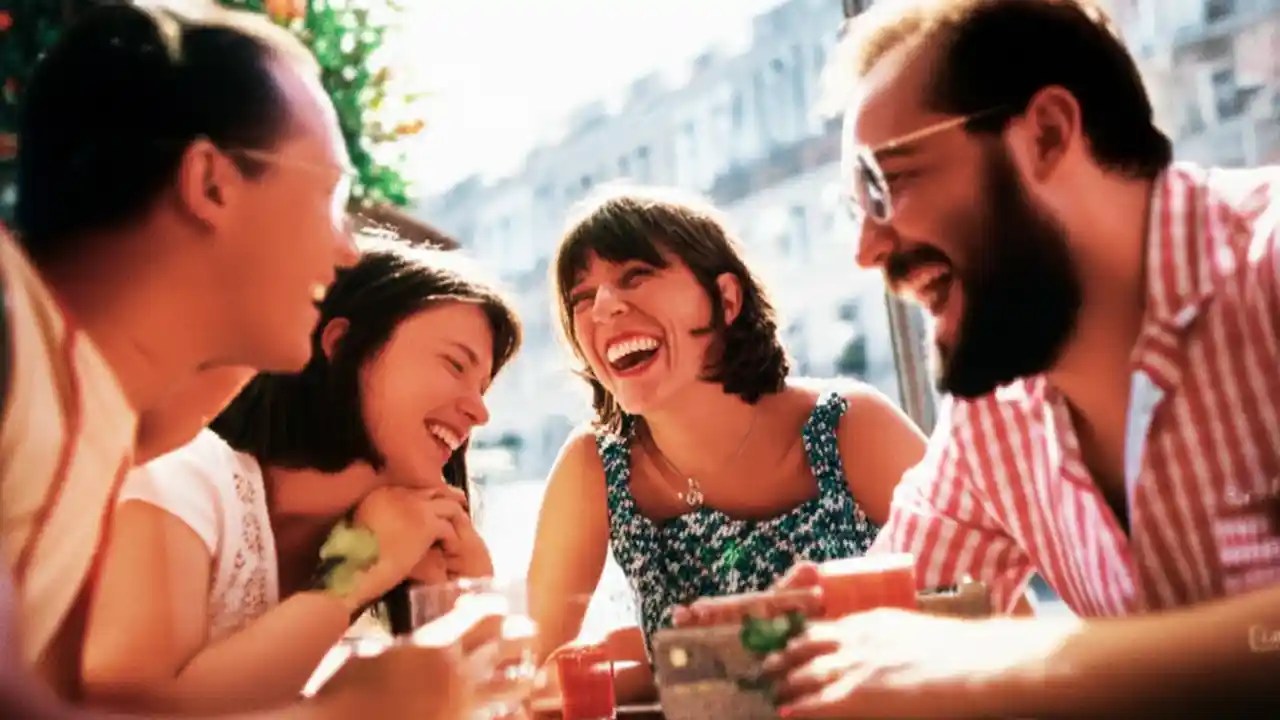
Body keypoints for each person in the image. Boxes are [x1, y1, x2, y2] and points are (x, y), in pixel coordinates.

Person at [733, 0, 1280, 716]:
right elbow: (883, 625)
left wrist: (1006, 663)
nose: (866, 250)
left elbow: (948, 659)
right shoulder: (997, 411)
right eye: (853, 207)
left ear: (1048, 134)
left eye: (884, 183)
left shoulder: (1265, 265)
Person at [0, 2, 508, 716]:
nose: (348, 250)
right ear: (211, 183)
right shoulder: (12, 336)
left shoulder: (95, 431)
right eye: (330, 194)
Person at [81, 238, 521, 714]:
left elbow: (479, 703)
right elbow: (131, 708)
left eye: (483, 387)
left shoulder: (389, 542)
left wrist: (466, 590)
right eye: (455, 365)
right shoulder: (185, 475)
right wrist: (352, 575)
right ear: (343, 344)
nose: (479, 412)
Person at [527, 187, 926, 699]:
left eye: (636, 276)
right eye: (581, 299)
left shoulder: (849, 426)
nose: (603, 308)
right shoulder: (595, 467)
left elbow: (990, 613)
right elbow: (527, 675)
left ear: (727, 299)